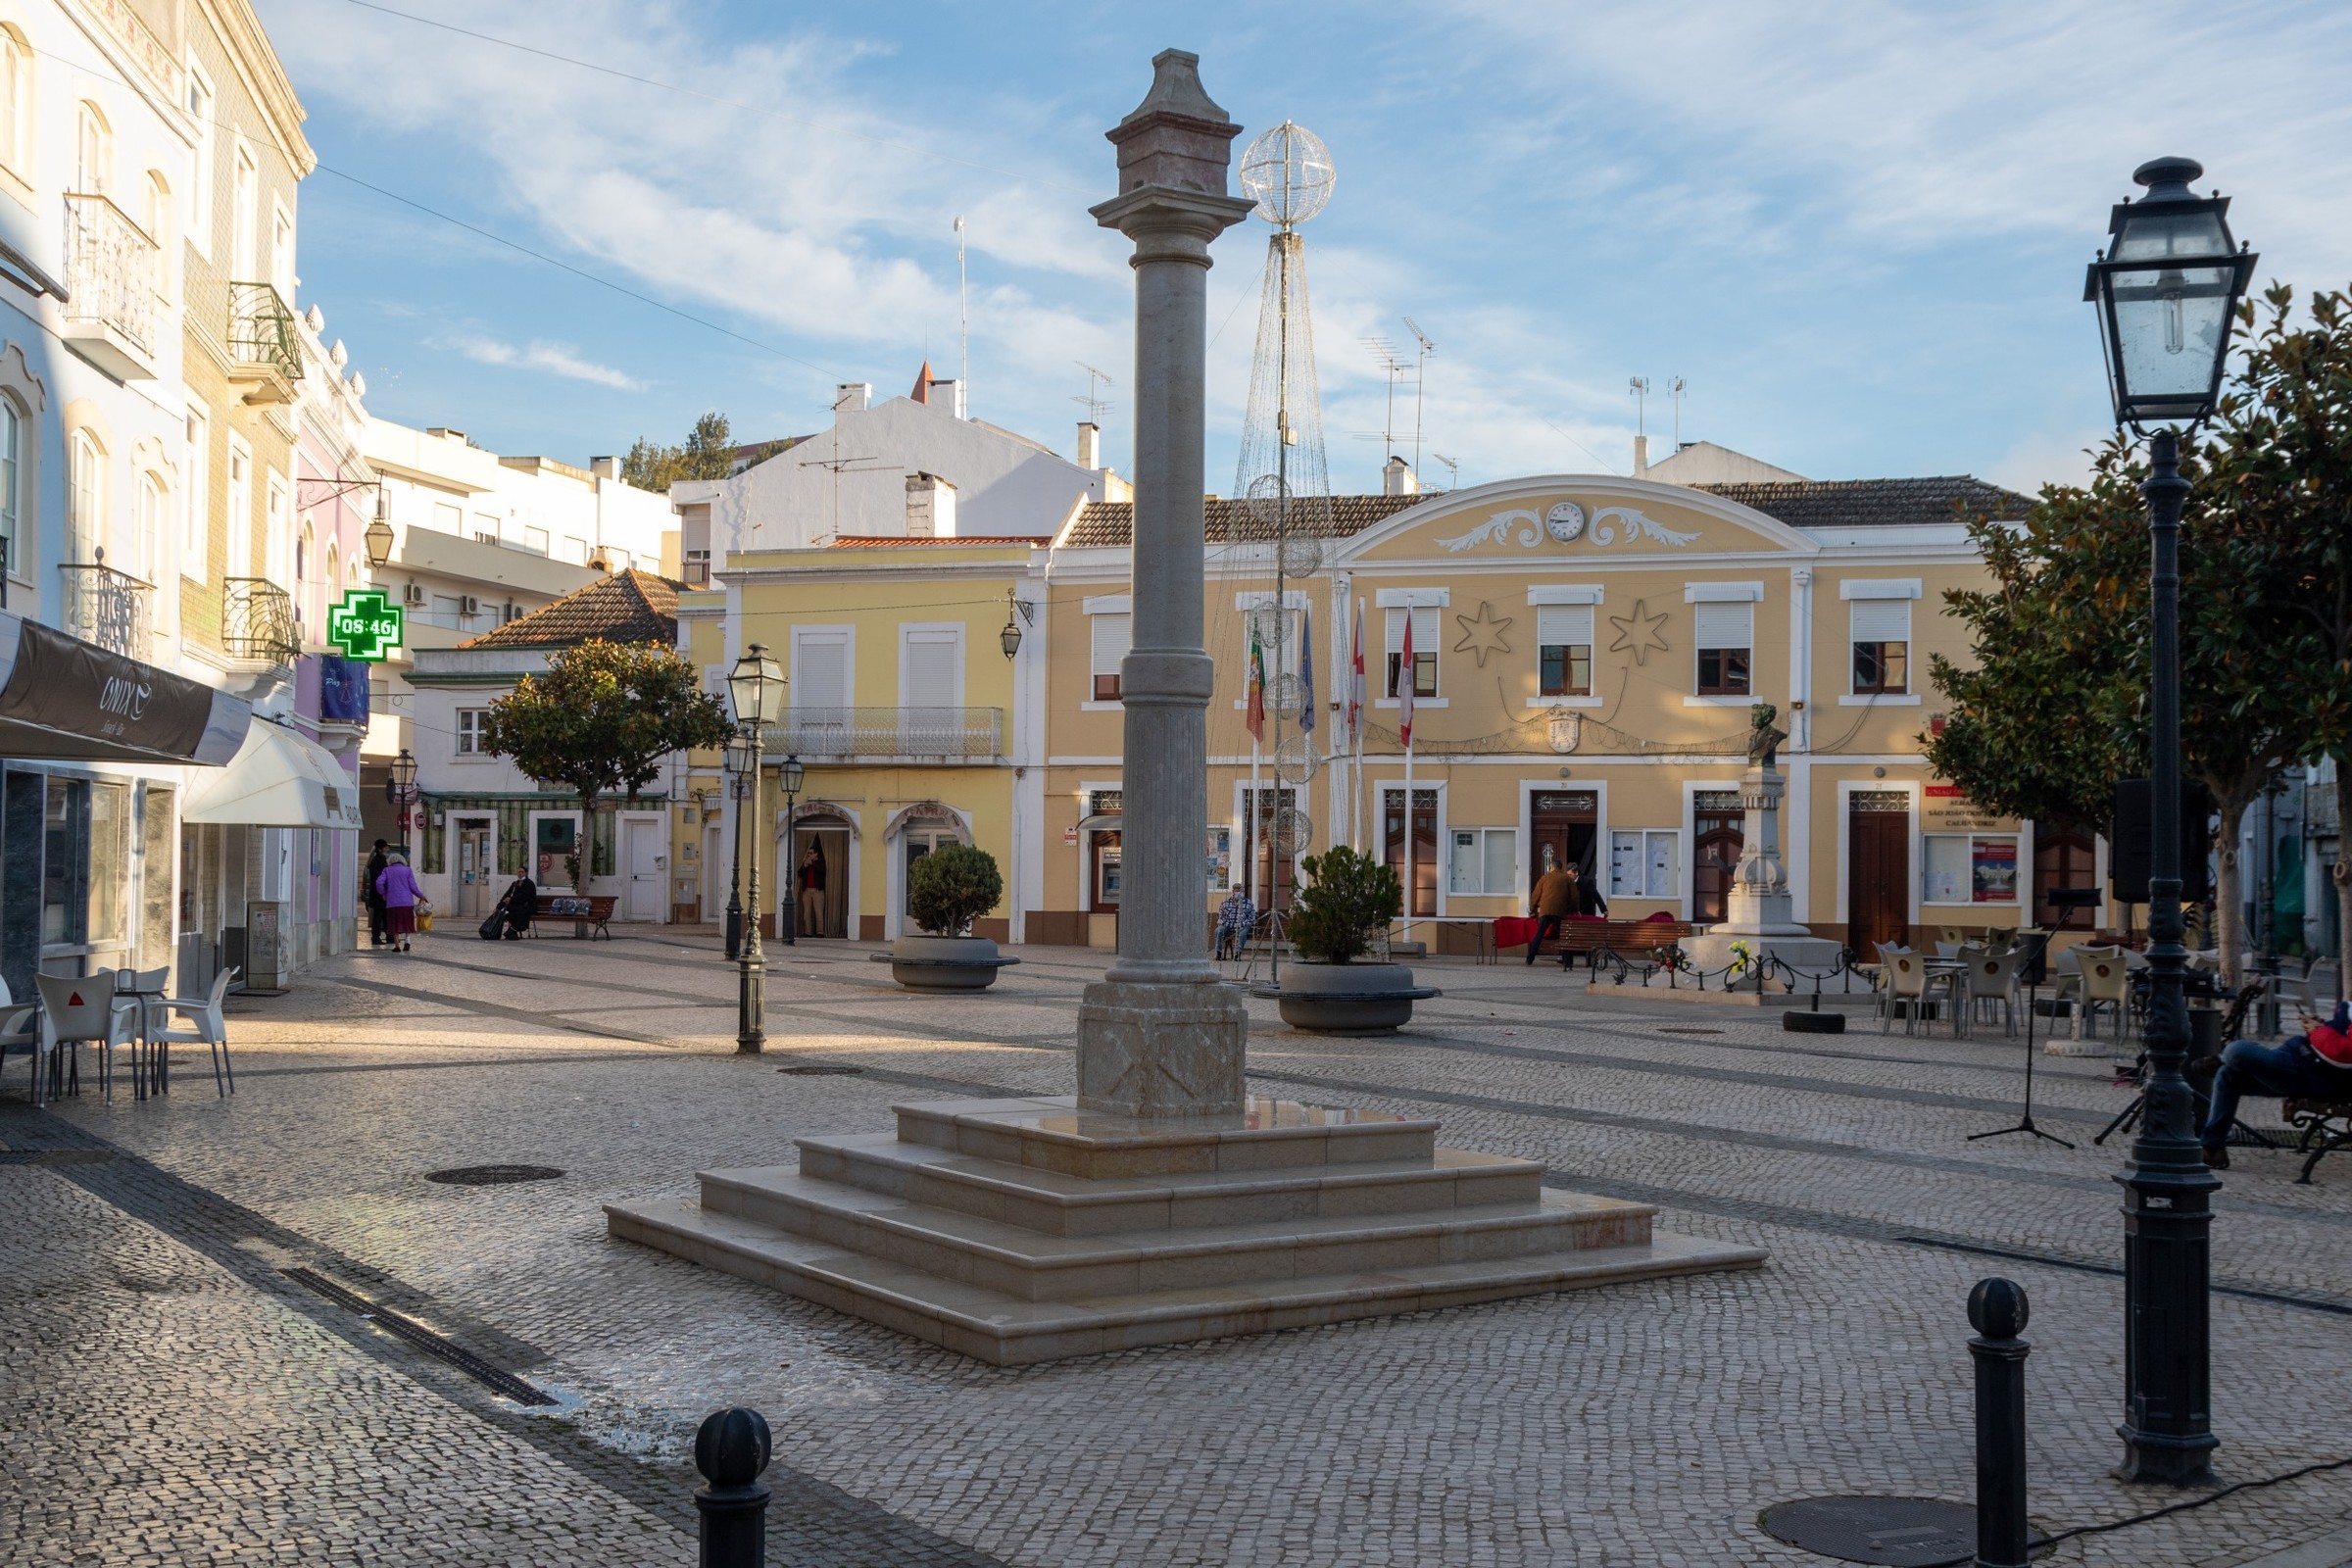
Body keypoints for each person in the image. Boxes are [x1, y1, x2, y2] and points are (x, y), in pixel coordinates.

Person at [2200, 1001, 2352, 1168]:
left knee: (2235, 1051)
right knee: (2228, 1074)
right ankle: (2212, 1148)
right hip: (2300, 1058)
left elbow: (2344, 1052)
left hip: (2309, 1073)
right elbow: (2341, 1035)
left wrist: (2317, 1030)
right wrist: (2319, 1024)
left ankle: (2221, 1060)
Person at [1526, 849, 1575, 966]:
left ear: (1552, 867)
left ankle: (1530, 958)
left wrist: (1532, 908)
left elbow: (1536, 895)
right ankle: (1567, 961)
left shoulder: (1544, 878)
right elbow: (1574, 896)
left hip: (1545, 910)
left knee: (1539, 934)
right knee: (1563, 936)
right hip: (1559, 911)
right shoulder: (1567, 879)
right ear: (1561, 868)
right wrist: (1574, 909)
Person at [375, 850, 424, 955]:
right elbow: (413, 887)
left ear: (391, 861)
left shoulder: (387, 870)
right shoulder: (407, 870)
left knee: (394, 923)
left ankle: (397, 946)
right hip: (407, 902)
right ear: (402, 860)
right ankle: (407, 942)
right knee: (407, 922)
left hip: (392, 902)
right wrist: (421, 896)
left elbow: (379, 882)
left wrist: (383, 893)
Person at [1215, 886, 1256, 961]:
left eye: (1239, 891)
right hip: (1227, 925)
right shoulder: (1225, 902)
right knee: (1218, 930)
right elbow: (1221, 916)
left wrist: (1242, 924)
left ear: (1242, 892)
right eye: (1236, 891)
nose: (1238, 893)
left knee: (1243, 933)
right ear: (1233, 891)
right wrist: (1228, 924)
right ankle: (1219, 953)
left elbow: (1252, 917)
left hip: (1242, 926)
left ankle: (1237, 954)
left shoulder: (1249, 903)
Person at [364, 839, 391, 949]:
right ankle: (376, 937)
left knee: (383, 915)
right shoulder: (378, 861)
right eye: (385, 847)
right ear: (380, 849)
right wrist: (383, 892)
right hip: (379, 893)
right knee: (379, 916)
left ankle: (387, 936)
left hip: (378, 893)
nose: (387, 849)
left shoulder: (379, 859)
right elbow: (379, 879)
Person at [797, 842, 826, 937]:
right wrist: (805, 866)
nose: (809, 855)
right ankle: (807, 932)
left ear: (816, 854)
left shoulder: (820, 862)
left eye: (811, 853)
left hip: (817, 891)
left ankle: (820, 932)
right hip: (807, 891)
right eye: (808, 853)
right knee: (807, 912)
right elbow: (799, 873)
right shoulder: (806, 863)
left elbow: (822, 871)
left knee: (818, 911)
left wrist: (812, 863)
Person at [499, 871, 537, 940]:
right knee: (512, 911)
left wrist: (511, 899)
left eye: (522, 872)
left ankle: (512, 930)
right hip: (517, 906)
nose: (520, 873)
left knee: (520, 912)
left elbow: (525, 896)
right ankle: (512, 931)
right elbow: (507, 894)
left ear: (525, 873)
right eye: (519, 872)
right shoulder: (515, 883)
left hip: (528, 906)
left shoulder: (529, 883)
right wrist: (499, 906)